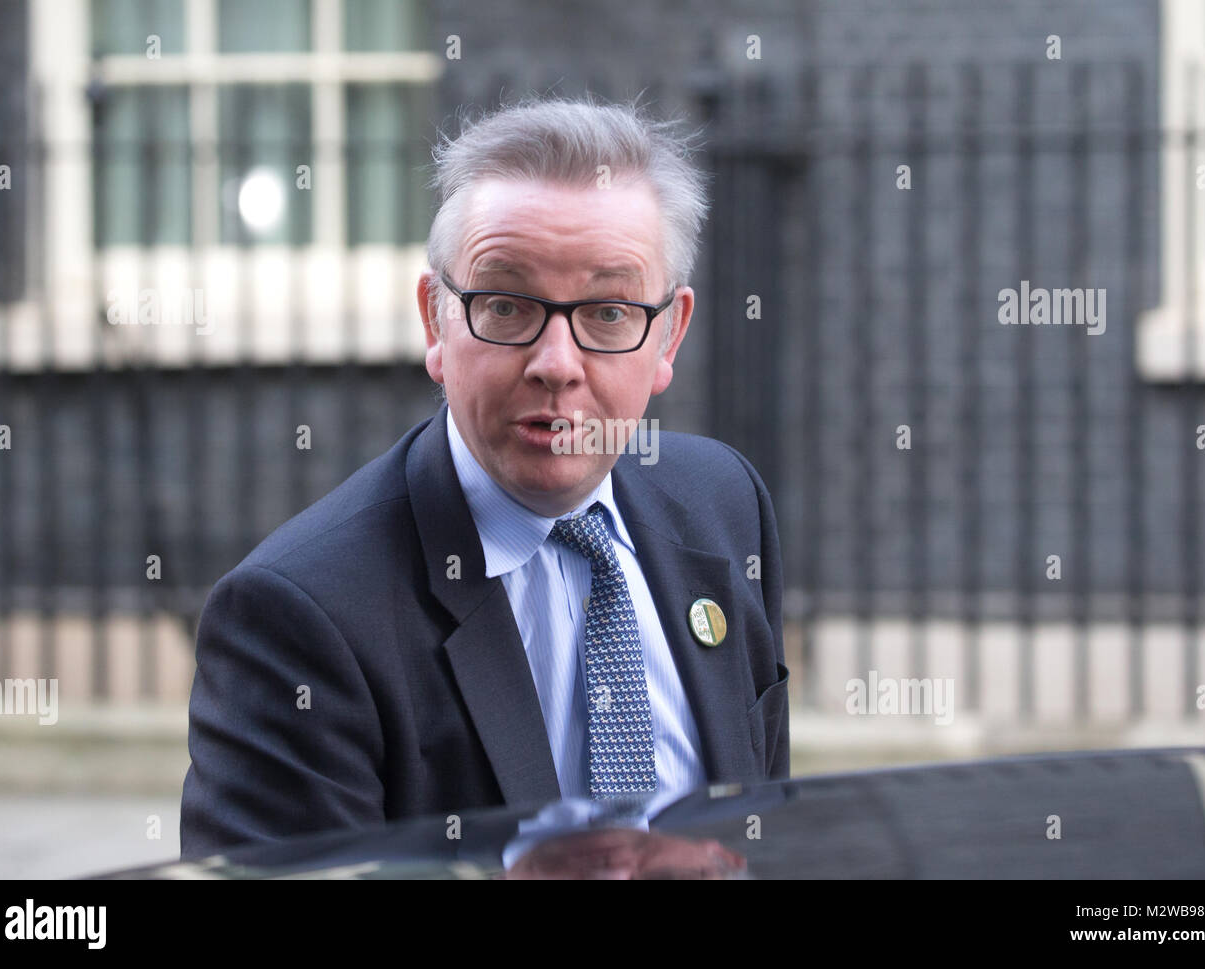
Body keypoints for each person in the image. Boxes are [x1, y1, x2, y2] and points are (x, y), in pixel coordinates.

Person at [179, 95, 789, 859]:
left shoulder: (726, 503)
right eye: (505, 304)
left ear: (669, 334)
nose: (556, 365)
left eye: (607, 312)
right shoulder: (298, 618)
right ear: (436, 322)